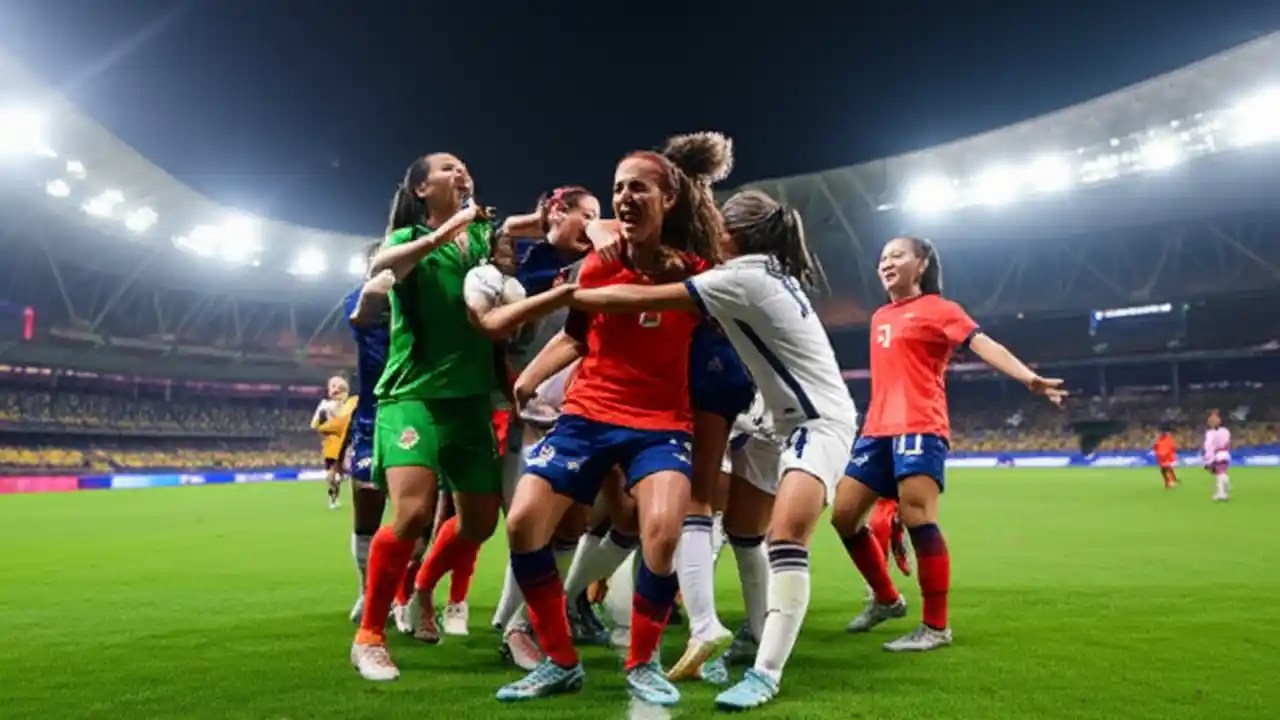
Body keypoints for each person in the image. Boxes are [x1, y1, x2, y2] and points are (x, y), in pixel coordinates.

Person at [567, 188, 859, 711]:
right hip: (775, 422)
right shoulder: (766, 271)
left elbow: (645, 298)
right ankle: (752, 633)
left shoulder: (742, 277)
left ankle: (766, 674)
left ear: (734, 235)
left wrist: (577, 294)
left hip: (818, 423)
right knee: (747, 533)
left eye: (718, 226)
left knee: (786, 539)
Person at [495, 131, 731, 706]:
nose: (625, 197)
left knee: (663, 530)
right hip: (588, 413)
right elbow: (576, 338)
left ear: (668, 200)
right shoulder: (598, 267)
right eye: (618, 188)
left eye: (638, 188)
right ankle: (559, 659)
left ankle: (642, 662)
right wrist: (529, 378)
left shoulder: (697, 274)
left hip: (661, 422)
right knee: (524, 522)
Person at [349, 152, 572, 682]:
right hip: (412, 396)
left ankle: (424, 587)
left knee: (479, 523)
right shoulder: (404, 240)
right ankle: (370, 637)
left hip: (471, 399)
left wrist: (571, 219)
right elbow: (382, 269)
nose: (461, 171)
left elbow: (547, 226)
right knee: (410, 513)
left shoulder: (483, 234)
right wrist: (452, 227)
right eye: (448, 168)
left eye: (465, 167)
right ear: (422, 187)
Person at [836, 236, 1065, 659]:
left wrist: (1028, 378)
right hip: (875, 430)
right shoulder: (880, 315)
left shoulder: (941, 309)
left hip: (920, 424)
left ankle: (936, 627)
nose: (886, 262)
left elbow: (983, 343)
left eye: (897, 255)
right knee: (844, 515)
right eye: (882, 257)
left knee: (917, 518)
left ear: (920, 264)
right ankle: (887, 600)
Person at [408, 222, 580, 642]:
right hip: (492, 411)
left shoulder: (537, 276)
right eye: (499, 242)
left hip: (542, 413)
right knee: (474, 521)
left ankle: (511, 621)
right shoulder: (483, 283)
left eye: (511, 245)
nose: (507, 249)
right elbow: (493, 338)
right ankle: (425, 590)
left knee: (532, 523)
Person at [342, 246, 394, 624]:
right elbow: (363, 317)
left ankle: (406, 596)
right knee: (367, 500)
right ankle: (367, 590)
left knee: (417, 513)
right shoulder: (356, 300)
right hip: (371, 417)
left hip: (418, 406)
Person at [312, 377, 355, 509]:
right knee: (332, 475)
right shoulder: (324, 406)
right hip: (332, 446)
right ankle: (333, 498)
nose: (336, 390)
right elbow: (315, 425)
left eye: (340, 387)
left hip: (348, 443)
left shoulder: (350, 404)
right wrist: (326, 429)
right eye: (333, 386)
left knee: (347, 471)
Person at [1204, 410, 1231, 501]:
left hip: (1217, 455)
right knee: (1224, 472)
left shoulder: (1210, 433)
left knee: (1219, 474)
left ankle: (1221, 493)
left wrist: (1208, 459)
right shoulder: (1225, 431)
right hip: (1225, 454)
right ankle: (1225, 492)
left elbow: (1209, 446)